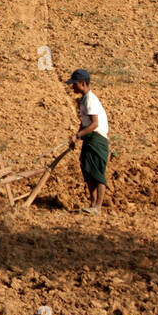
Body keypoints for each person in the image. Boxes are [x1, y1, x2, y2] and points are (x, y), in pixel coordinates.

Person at [66, 69, 108, 214]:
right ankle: (92, 204)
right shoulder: (83, 100)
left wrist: (78, 136)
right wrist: (77, 137)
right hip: (89, 138)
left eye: (74, 84)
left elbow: (94, 124)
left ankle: (98, 206)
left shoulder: (90, 99)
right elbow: (84, 124)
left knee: (97, 172)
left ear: (83, 83)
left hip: (97, 139)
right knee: (87, 169)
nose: (73, 87)